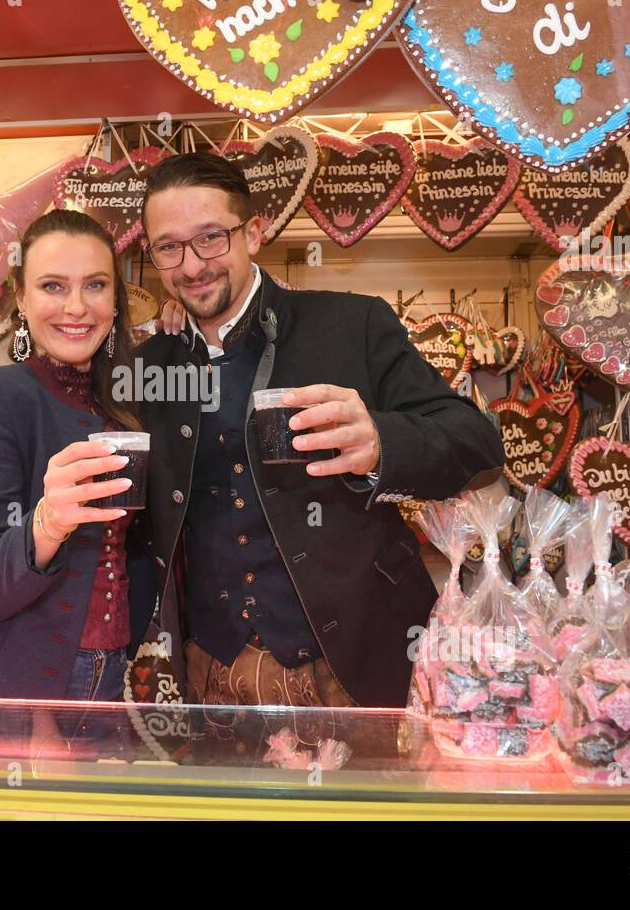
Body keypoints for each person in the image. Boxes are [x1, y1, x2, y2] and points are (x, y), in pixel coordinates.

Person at [135, 153, 504, 710]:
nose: (191, 266)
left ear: (253, 233)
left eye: (211, 237)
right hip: (208, 672)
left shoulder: (352, 324)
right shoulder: (150, 365)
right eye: (169, 247)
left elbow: (476, 444)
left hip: (358, 662)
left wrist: (382, 442)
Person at [0, 210, 157, 702]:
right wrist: (47, 523)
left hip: (111, 675)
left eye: (95, 285)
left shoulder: (130, 402)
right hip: (8, 678)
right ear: (22, 300)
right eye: (53, 286)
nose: (76, 307)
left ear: (116, 302)